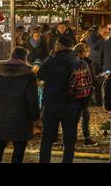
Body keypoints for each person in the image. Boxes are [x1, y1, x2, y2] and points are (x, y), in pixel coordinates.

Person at [36, 32, 91, 163]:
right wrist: (82, 106)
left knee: (47, 139)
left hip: (52, 104)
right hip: (73, 105)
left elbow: (40, 75)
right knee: (70, 140)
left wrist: (49, 57)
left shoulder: (52, 61)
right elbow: (88, 85)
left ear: (60, 46)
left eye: (56, 44)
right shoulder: (80, 62)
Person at [0, 47, 39, 163]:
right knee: (19, 148)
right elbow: (32, 99)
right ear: (24, 58)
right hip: (21, 118)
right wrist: (35, 116)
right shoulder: (29, 76)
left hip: (0, 116)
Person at [74, 42, 98, 145]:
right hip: (82, 93)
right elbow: (88, 78)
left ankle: (74, 137)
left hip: (79, 93)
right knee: (82, 116)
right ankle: (85, 138)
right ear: (82, 52)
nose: (88, 53)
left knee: (81, 116)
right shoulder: (83, 63)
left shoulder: (83, 62)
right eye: (87, 51)